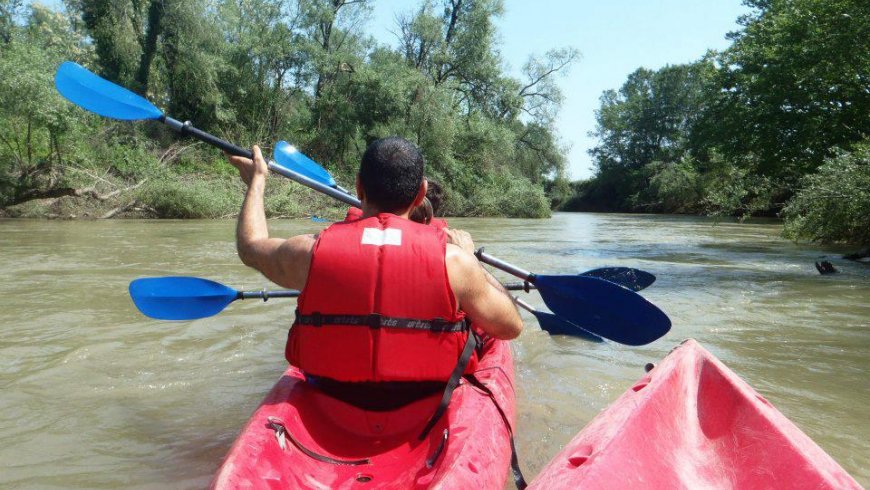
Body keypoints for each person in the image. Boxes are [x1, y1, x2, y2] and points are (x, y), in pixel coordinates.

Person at [226, 137, 522, 416]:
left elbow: (250, 248)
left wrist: (256, 181)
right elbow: (510, 327)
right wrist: (472, 262)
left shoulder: (311, 252)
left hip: (331, 402)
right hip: (428, 405)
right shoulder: (454, 261)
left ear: (358, 187)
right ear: (421, 193)